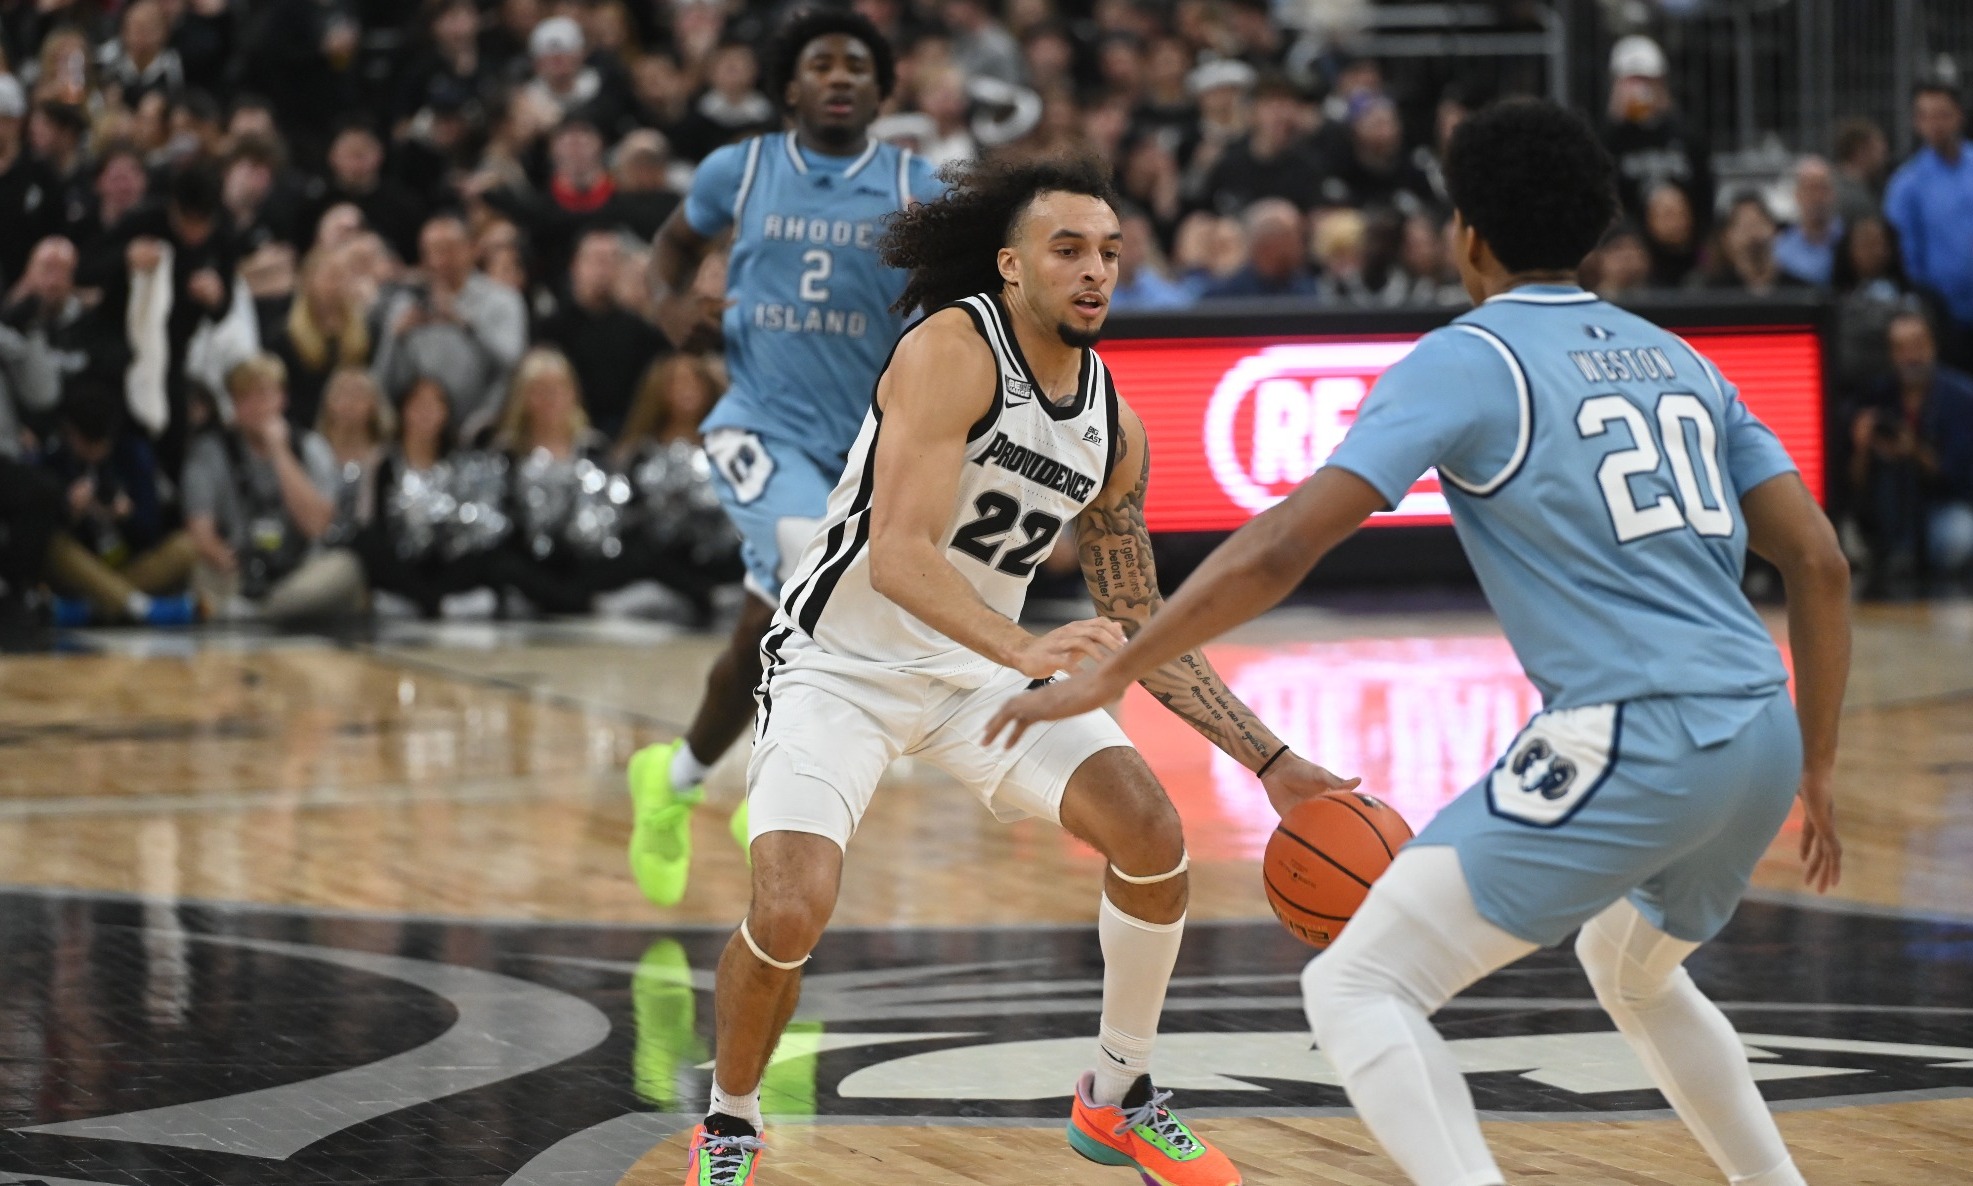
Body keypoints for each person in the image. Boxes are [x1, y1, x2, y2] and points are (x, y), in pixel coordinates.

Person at [988, 99, 1850, 1186]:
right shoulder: (1681, 358)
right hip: (1760, 735)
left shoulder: (1466, 356)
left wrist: (1114, 666)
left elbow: (1280, 545)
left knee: (1354, 985)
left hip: (1636, 730)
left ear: (1466, 236)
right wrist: (1813, 762)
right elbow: (1817, 563)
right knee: (1626, 968)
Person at [682, 151, 1352, 1186]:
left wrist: (1272, 764)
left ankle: (1116, 1094)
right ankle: (729, 1121)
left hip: (983, 673)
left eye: (1111, 254)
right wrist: (1024, 646)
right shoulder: (949, 348)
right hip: (841, 665)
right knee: (788, 906)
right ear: (1009, 265)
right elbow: (899, 554)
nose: (1094, 270)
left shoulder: (1114, 427)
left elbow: (1139, 621)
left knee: (1151, 830)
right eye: (1068, 249)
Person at [625, 8, 942, 907]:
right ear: (789, 85)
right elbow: (675, 247)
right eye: (821, 63)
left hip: (858, 451)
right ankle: (780, 793)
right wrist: (665, 302)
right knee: (815, 565)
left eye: (857, 65)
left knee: (761, 638)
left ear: (882, 90)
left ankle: (675, 780)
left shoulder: (918, 189)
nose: (840, 76)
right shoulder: (744, 168)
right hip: (755, 426)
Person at [183, 354, 367, 621]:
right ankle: (255, 612)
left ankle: (260, 615)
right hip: (237, 570)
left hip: (297, 573)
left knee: (345, 567)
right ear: (233, 404)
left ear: (283, 398)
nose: (258, 406)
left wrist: (280, 452)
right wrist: (216, 552)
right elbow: (200, 531)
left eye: (265, 395)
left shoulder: (310, 447)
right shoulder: (209, 451)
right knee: (199, 568)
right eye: (247, 397)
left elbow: (317, 526)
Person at [39, 381, 199, 626]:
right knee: (54, 546)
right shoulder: (54, 462)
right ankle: (142, 608)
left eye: (100, 445)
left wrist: (126, 516)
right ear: (70, 434)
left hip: (126, 564)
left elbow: (152, 530)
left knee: (185, 547)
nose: (94, 453)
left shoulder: (133, 454)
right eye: (86, 444)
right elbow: (40, 532)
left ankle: (95, 607)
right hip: (82, 567)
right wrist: (69, 510)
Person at [1849, 311, 1973, 590]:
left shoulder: (1962, 399)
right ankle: (1892, 555)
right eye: (1901, 348)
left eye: (1918, 345)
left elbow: (1960, 479)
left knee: (1957, 539)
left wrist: (1914, 451)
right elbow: (1853, 485)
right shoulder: (1877, 396)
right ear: (1890, 354)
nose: (1911, 356)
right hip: (1886, 509)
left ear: (1933, 345)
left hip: (1943, 504)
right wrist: (1862, 448)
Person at [537, 228, 669, 438]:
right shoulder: (550, 329)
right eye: (596, 259)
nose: (604, 269)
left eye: (612, 260)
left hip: (627, 435)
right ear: (575, 266)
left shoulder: (641, 332)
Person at [1885, 82, 1973, 368]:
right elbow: (1903, 253)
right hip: (1942, 316)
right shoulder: (1907, 184)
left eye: (1942, 114)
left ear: (1959, 116)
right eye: (1926, 116)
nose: (1935, 124)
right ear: (1916, 122)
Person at [1602, 35, 1713, 236]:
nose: (1640, 89)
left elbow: (1705, 192)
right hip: (1629, 245)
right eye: (1631, 81)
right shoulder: (1608, 140)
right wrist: (1617, 121)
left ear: (1662, 82)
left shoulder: (1686, 134)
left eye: (1647, 80)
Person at [1773, 156, 1843, 287]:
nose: (1817, 198)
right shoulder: (1780, 250)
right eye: (1810, 189)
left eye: (1823, 188)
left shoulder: (1849, 242)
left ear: (1834, 194)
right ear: (1797, 195)